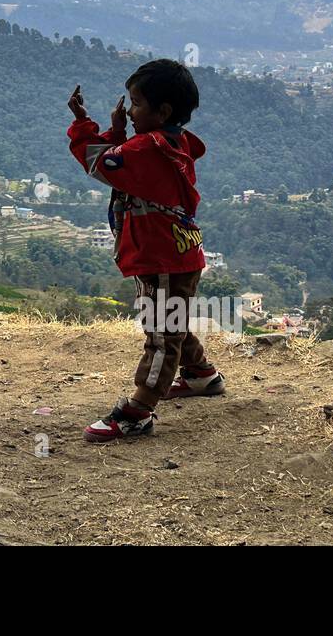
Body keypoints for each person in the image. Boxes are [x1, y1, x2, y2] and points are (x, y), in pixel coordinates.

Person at [66, 59, 223, 444]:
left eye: (136, 104)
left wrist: (86, 126)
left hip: (162, 259)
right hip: (175, 254)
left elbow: (99, 162)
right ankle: (201, 375)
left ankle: (139, 410)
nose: (130, 110)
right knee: (169, 322)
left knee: (160, 334)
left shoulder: (147, 148)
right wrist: (120, 129)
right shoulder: (173, 142)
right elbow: (126, 158)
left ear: (163, 111)